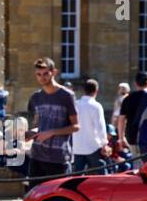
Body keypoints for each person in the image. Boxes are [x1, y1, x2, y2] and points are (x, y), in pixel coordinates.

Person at [26, 57, 79, 186]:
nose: (42, 78)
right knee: (34, 198)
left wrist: (52, 132)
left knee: (59, 198)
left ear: (54, 72)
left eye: (45, 74)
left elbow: (76, 126)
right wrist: (30, 133)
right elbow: (39, 125)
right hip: (37, 156)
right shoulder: (35, 97)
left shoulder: (67, 95)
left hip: (58, 158)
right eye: (38, 74)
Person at [117, 71, 147, 160]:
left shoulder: (127, 99)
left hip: (132, 136)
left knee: (136, 162)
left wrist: (121, 137)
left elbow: (121, 120)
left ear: (136, 83)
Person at [71, 79, 109, 174]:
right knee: (101, 174)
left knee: (77, 177)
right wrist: (104, 143)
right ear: (96, 90)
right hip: (92, 147)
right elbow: (100, 127)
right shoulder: (96, 106)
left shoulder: (75, 104)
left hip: (77, 147)